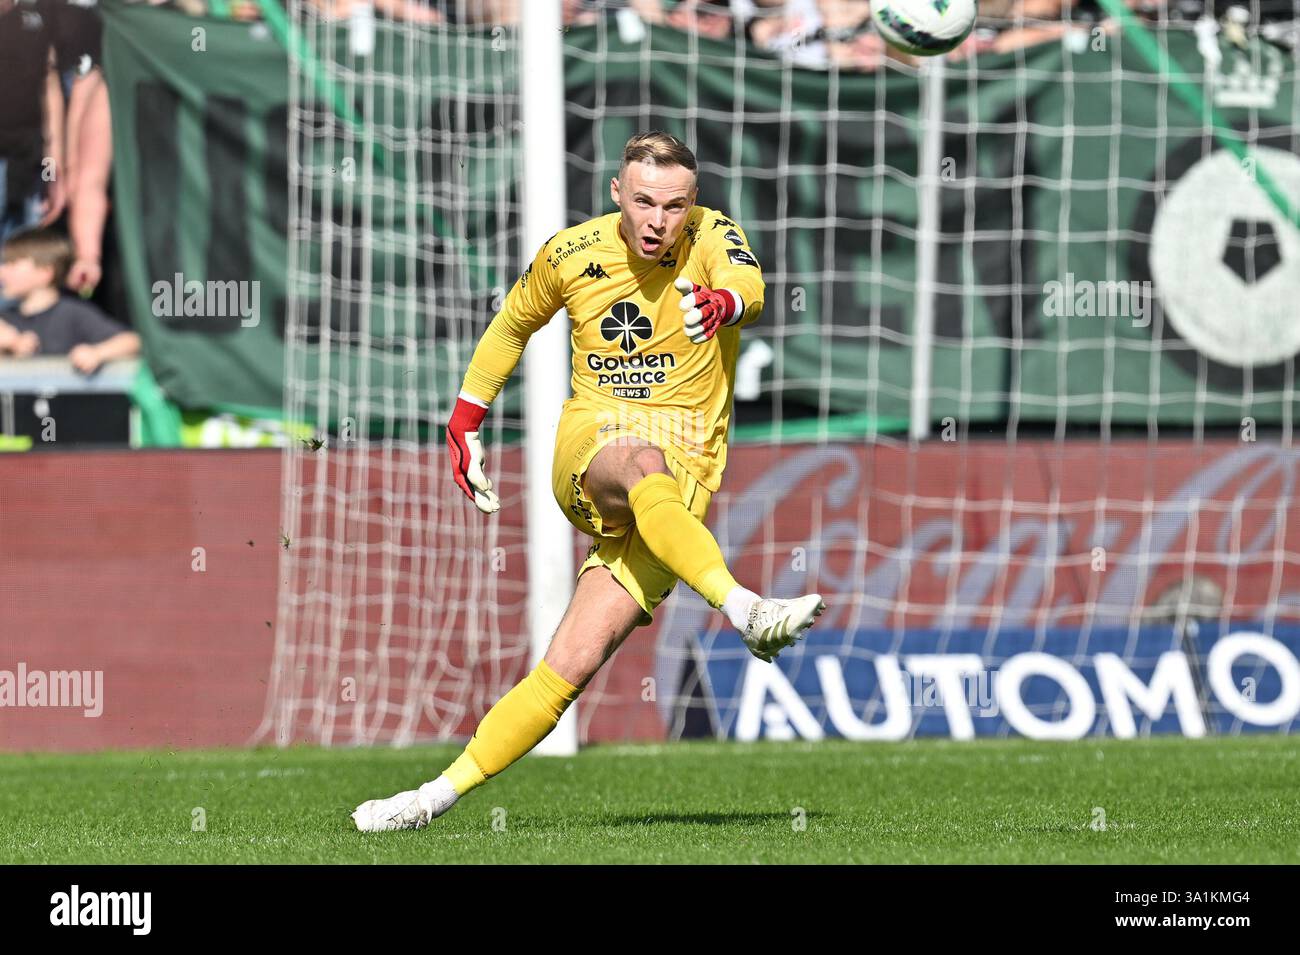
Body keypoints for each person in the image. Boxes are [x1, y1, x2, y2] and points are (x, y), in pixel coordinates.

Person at [352, 131, 825, 832]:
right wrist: (465, 419)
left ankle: (427, 798)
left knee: (567, 667)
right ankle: (746, 610)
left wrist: (724, 305)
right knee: (639, 460)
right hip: (594, 449)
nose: (658, 220)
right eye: (643, 201)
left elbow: (749, 285)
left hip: (682, 488)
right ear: (617, 194)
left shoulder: (714, 236)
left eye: (674, 205)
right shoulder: (572, 253)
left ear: (692, 205)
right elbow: (513, 324)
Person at [0, 225, 139, 373]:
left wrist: (97, 353)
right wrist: (9, 346)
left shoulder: (73, 313)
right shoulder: (5, 320)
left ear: (45, 272)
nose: (2, 271)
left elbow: (132, 341)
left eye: (11, 264)